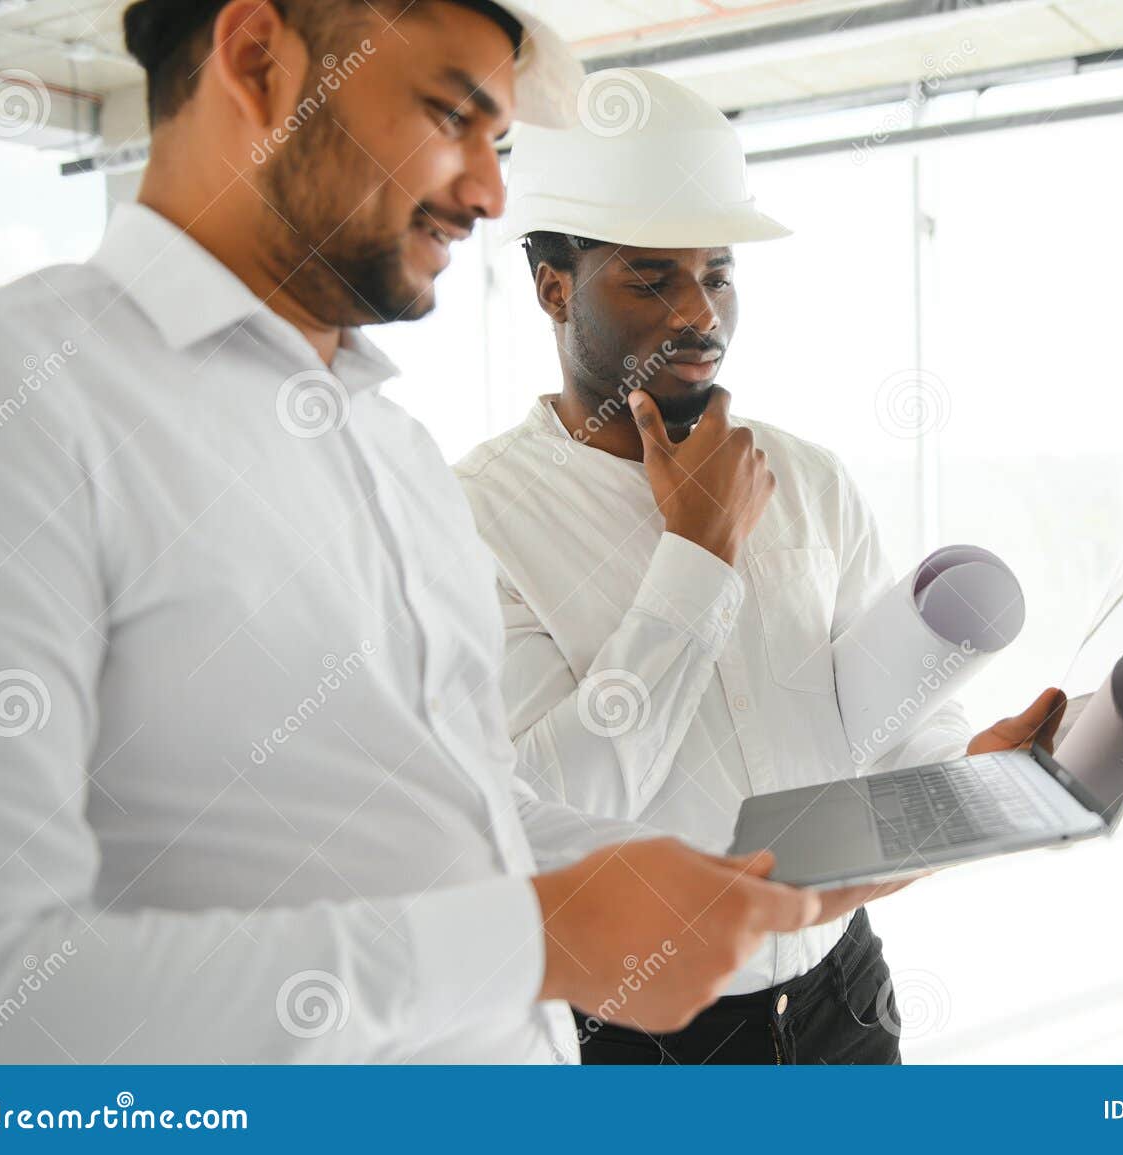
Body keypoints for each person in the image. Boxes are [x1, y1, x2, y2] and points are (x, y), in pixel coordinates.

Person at [0, 0, 885, 1064]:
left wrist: (689, 879)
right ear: (259, 60)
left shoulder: (387, 449)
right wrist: (534, 938)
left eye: (495, 145)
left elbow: (465, 815)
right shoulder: (13, 397)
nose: (489, 193)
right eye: (451, 116)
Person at [456, 69, 1068, 1064]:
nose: (698, 312)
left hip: (843, 992)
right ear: (552, 287)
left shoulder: (811, 479)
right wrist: (697, 554)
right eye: (651, 277)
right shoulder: (471, 518)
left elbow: (894, 726)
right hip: (643, 1032)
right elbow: (548, 806)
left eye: (720, 272)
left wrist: (968, 784)